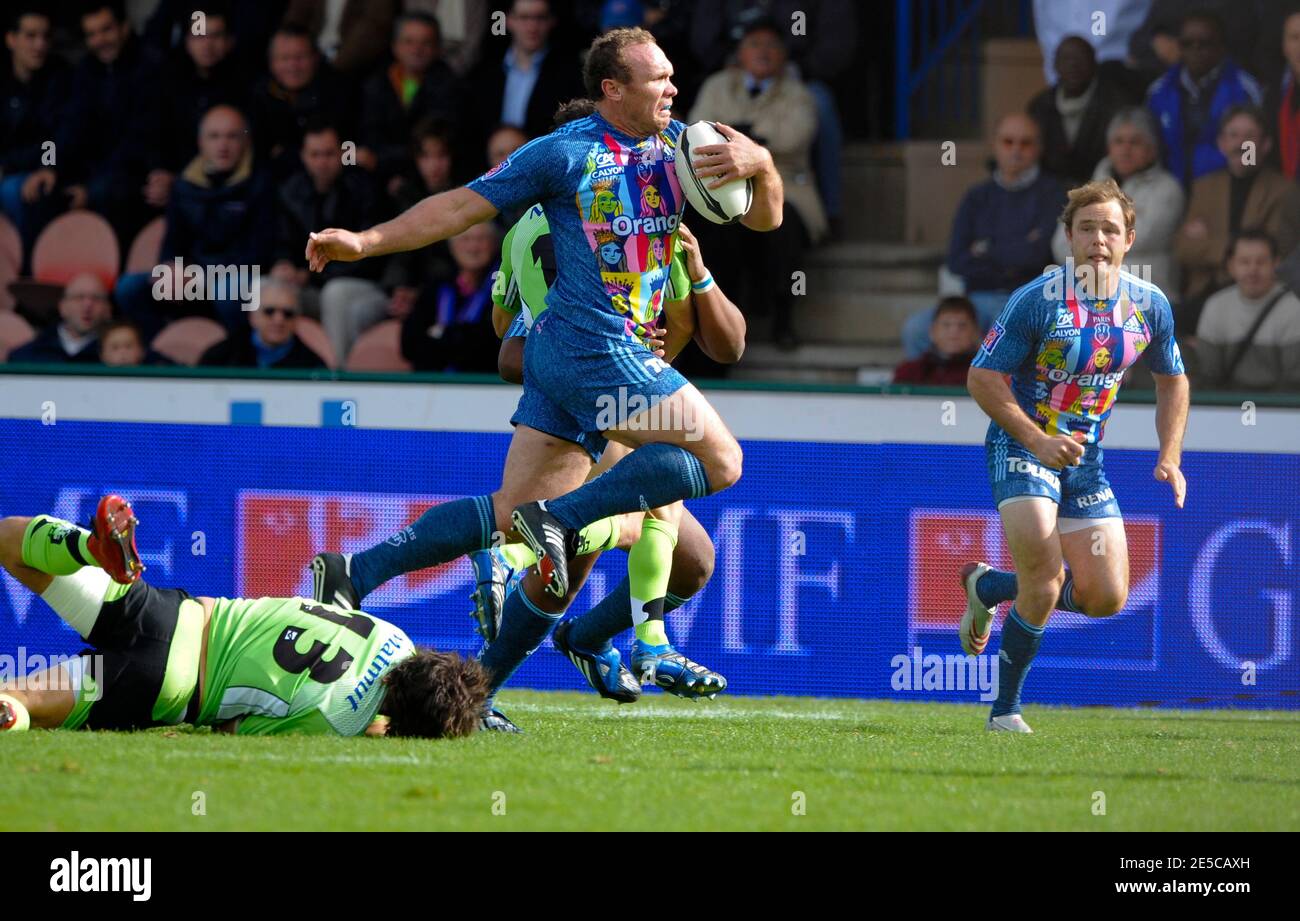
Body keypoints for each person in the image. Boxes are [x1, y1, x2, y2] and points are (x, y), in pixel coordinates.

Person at [304, 27, 782, 727]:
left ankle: (361, 576)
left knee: (506, 516)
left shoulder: (684, 146)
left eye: (674, 77)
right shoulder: (565, 154)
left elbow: (765, 218)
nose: (673, 90)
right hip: (598, 350)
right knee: (720, 460)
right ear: (612, 90)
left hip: (566, 357)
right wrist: (368, 241)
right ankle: (565, 527)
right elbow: (461, 205)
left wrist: (762, 161)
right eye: (659, 80)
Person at [962, 177, 1188, 732]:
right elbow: (982, 377)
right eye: (1086, 228)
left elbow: (1173, 380)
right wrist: (1037, 439)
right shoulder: (1036, 301)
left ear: (1129, 239)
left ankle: (987, 586)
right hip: (1023, 446)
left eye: (1110, 229)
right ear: (1068, 237)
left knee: (1106, 597)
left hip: (1085, 461)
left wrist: (1171, 453)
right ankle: (1005, 712)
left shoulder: (1149, 305)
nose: (1098, 239)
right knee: (1043, 579)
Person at [0, 495, 488, 738]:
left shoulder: (393, 635)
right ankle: (12, 712)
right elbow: (231, 729)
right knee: (22, 703)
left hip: (170, 614)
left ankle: (89, 547)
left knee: (9, 540)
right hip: (169, 685)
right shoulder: (337, 718)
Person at [689, 17, 825, 348]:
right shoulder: (717, 85)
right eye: (754, 44)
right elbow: (695, 131)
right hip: (723, 185)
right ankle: (717, 322)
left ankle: (782, 318)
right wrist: (751, 137)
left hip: (787, 185)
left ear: (784, 55)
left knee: (785, 227)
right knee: (713, 228)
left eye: (771, 45)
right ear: (740, 53)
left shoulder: (800, 93)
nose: (763, 51)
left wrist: (745, 139)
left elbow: (795, 137)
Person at [913, 113, 1065, 359]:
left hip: (1027, 298)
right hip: (974, 300)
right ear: (995, 146)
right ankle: (949, 387)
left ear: (1038, 149)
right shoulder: (976, 197)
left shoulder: (1053, 195)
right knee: (916, 331)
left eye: (1025, 143)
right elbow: (957, 259)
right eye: (1008, 142)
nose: (1016, 150)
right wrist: (1016, 252)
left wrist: (986, 250)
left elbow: (1036, 257)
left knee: (1002, 334)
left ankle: (995, 395)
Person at [1174, 105, 1300, 327]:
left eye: (1249, 136)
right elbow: (1183, 248)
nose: (1241, 144)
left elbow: (1273, 251)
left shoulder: (1284, 190)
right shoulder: (1204, 187)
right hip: (1205, 293)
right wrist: (1239, 246)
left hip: (1256, 299)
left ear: (1265, 144)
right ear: (1222, 144)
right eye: (1233, 135)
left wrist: (1211, 243)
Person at [1051, 107, 1185, 297]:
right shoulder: (1088, 189)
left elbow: (1141, 240)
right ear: (1109, 148)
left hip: (1146, 295)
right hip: (1087, 292)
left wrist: (1086, 244)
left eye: (1135, 142)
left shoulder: (1168, 189)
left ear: (1151, 149)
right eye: (1119, 141)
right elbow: (1060, 244)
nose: (1126, 149)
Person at [1145, 10, 1262, 187]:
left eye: (1204, 44)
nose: (1195, 50)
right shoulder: (1159, 91)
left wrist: (1245, 185)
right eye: (1187, 44)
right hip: (1171, 190)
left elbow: (1255, 146)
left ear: (1221, 46)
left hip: (1228, 189)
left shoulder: (1244, 88)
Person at [0, 7, 72, 261]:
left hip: (35, 172)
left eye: (45, 36)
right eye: (31, 36)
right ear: (11, 39)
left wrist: (48, 166)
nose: (40, 45)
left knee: (12, 191)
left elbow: (57, 136)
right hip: (9, 167)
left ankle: (27, 273)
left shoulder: (59, 78)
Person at [1194, 229, 1300, 390]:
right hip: (1226, 408)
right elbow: (1207, 375)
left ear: (1276, 264)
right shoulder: (1216, 306)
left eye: (1261, 262)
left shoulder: (1293, 308)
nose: (1253, 270)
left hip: (1278, 409)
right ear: (1231, 266)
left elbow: (1294, 381)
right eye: (1244, 262)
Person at [1027, 36, 1131, 186]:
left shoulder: (1117, 105)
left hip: (1104, 190)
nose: (1073, 65)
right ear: (1055, 65)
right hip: (1050, 193)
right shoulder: (1040, 106)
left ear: (1094, 64)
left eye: (1080, 59)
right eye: (1066, 59)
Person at [400, 222, 500, 372]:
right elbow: (409, 345)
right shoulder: (437, 285)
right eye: (465, 239)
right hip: (432, 385)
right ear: (452, 247)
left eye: (481, 239)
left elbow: (492, 345)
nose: (473, 247)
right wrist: (461, 337)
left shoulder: (504, 286)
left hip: (483, 385)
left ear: (494, 245)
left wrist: (440, 333)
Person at [200, 278, 327, 370]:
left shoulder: (313, 367)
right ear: (252, 317)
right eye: (269, 312)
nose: (279, 320)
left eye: (288, 313)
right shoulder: (220, 358)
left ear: (297, 320)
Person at [8, 274, 111, 365]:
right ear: (62, 307)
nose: (87, 305)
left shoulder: (117, 357)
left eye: (96, 298)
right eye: (79, 298)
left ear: (108, 309)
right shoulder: (27, 355)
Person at [892, 297, 980, 386]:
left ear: (975, 333)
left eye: (962, 325)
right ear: (932, 332)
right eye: (946, 325)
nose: (953, 332)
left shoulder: (985, 375)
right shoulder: (908, 373)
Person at [1265, 9, 1300, 182]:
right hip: (1284, 197)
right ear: (1284, 45)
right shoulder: (1273, 93)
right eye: (1295, 38)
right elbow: (1249, 139)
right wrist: (1247, 167)